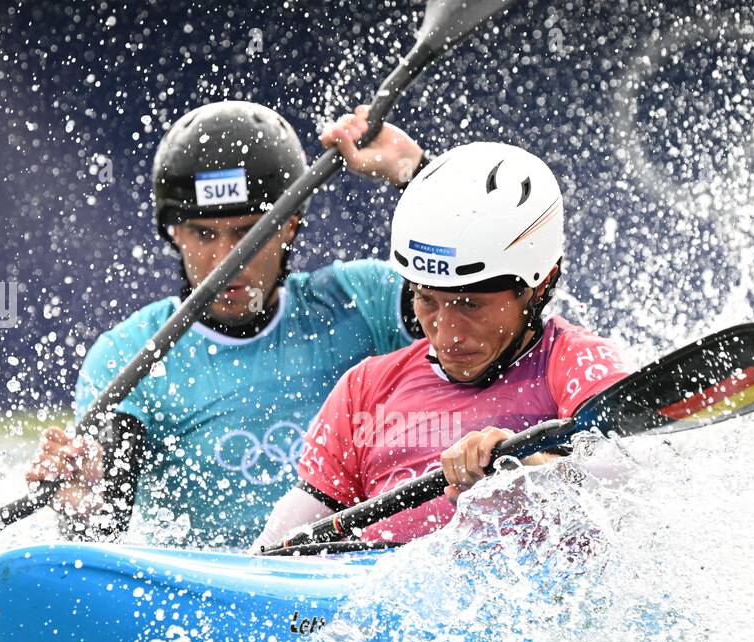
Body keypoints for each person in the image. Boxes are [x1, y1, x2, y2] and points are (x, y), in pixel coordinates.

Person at [25, 100, 429, 546]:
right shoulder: (126, 356)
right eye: (203, 234)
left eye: (248, 232)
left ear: (290, 226)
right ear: (172, 233)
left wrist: (415, 173)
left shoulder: (362, 301)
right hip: (207, 593)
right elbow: (102, 534)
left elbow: (488, 307)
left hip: (347, 573)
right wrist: (83, 510)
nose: (226, 261)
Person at [254, 141, 632, 550]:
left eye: (471, 304)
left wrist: (528, 467)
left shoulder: (577, 363)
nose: (447, 334)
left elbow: (631, 478)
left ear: (538, 286)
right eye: (427, 300)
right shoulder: (364, 388)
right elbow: (273, 556)